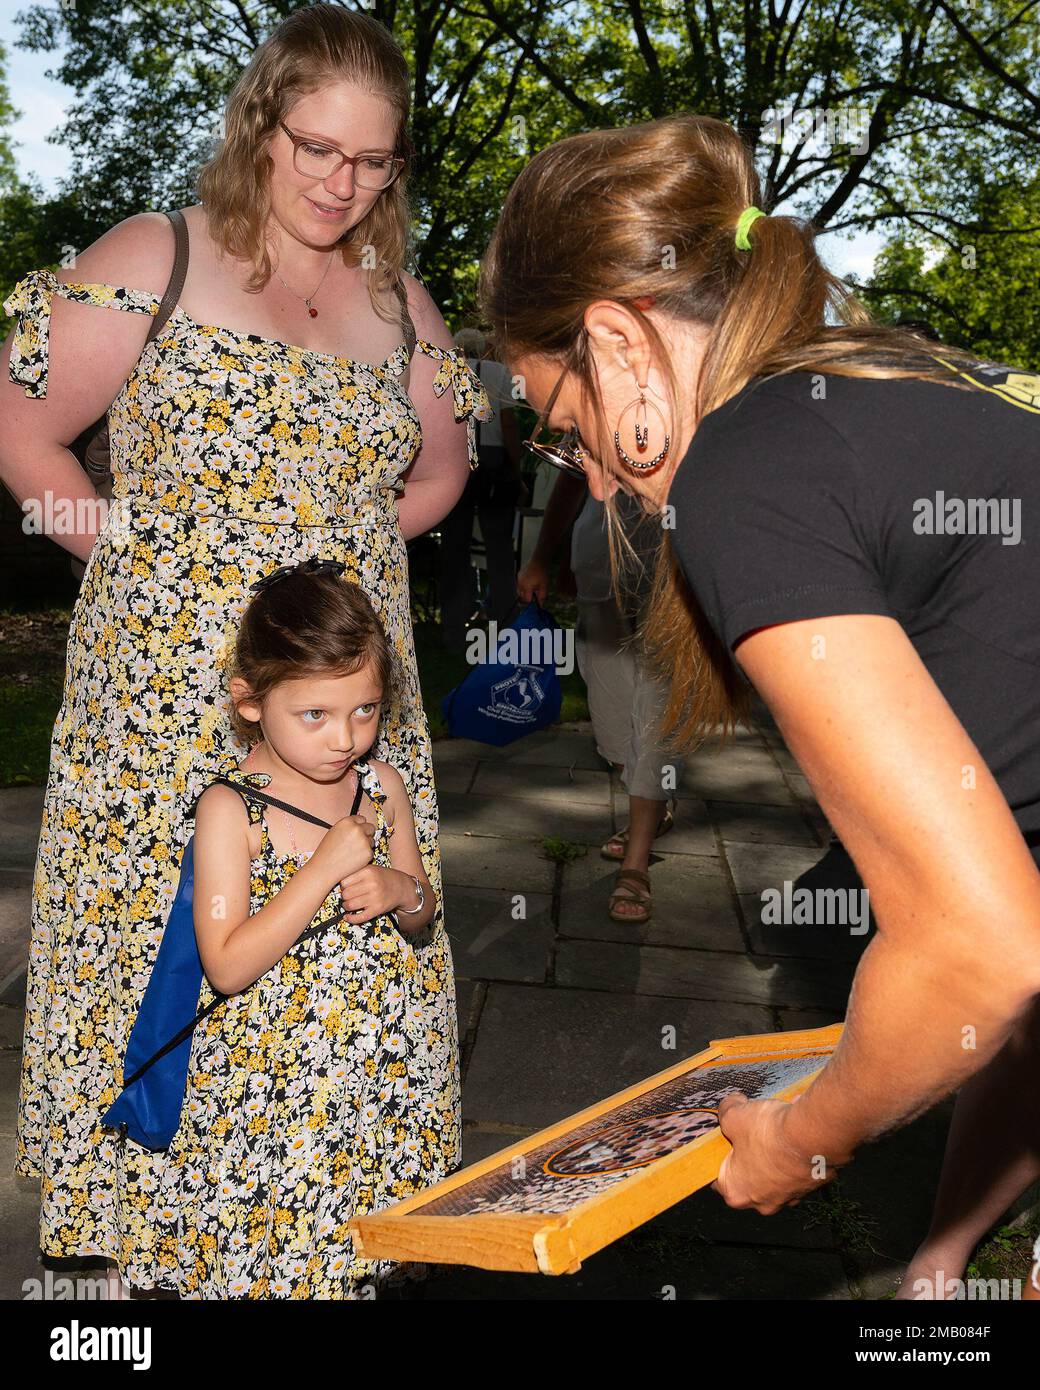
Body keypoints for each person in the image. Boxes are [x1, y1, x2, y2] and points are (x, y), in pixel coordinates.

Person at [480, 111, 1040, 1298]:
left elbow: (976, 950)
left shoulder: (744, 468)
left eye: (564, 426)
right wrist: (937, 1261)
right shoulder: (890, 380)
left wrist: (802, 1136)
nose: (584, 478)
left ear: (615, 341)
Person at [0, 5, 489, 1294]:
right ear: (259, 126)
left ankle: (311, 1219)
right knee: (156, 953)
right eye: (315, 147)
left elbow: (439, 474)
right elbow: (21, 437)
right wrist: (132, 559)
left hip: (335, 693)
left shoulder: (401, 305)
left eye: (373, 161)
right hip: (162, 694)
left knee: (337, 942)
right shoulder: (152, 254)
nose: (342, 183)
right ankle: (147, 1236)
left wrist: (346, 562)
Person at [135, 562, 434, 1298]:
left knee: (358, 1258)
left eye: (365, 711)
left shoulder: (383, 786)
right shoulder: (231, 812)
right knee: (276, 1258)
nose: (345, 739)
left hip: (375, 1077)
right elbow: (229, 965)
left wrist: (400, 888)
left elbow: (427, 914)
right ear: (248, 701)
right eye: (316, 716)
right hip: (269, 1091)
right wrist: (327, 866)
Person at [518, 471, 682, 921]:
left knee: (655, 712)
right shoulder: (594, 401)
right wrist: (540, 558)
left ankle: (636, 863)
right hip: (600, 565)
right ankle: (651, 804)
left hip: (675, 570)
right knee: (611, 720)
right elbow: (572, 478)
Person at [438, 328, 525, 652]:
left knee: (454, 547)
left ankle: (453, 629)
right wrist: (515, 470)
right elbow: (509, 424)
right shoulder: (500, 372)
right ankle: (505, 624)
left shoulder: (448, 375)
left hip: (457, 463)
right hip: (494, 465)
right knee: (499, 546)